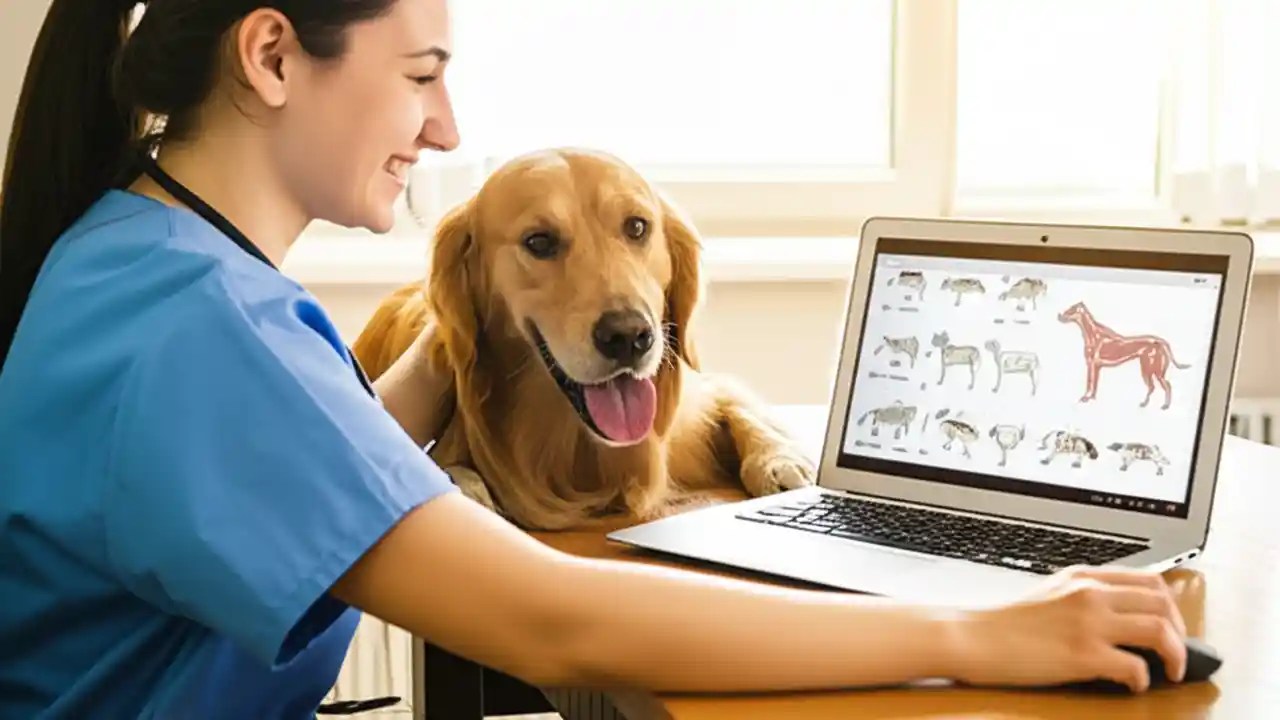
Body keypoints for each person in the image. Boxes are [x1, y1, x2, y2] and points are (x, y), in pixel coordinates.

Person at [0, 1, 1189, 717]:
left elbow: (313, 450)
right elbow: (555, 622)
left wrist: (459, 333)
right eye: (421, 74)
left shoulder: (138, 259)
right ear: (269, 54)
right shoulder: (210, 331)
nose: (447, 126)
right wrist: (975, 633)